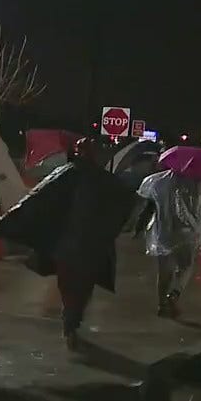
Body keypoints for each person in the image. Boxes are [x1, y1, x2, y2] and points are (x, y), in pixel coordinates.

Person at [52, 137, 127, 351]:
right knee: (78, 287)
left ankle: (71, 321)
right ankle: (72, 321)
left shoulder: (68, 176)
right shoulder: (78, 177)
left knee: (73, 287)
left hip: (74, 244)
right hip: (83, 245)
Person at [136, 167, 201, 318]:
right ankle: (175, 293)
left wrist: (139, 227)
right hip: (187, 232)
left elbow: (148, 205)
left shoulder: (158, 181)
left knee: (164, 271)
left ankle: (162, 305)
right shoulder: (197, 181)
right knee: (186, 265)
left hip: (163, 231)